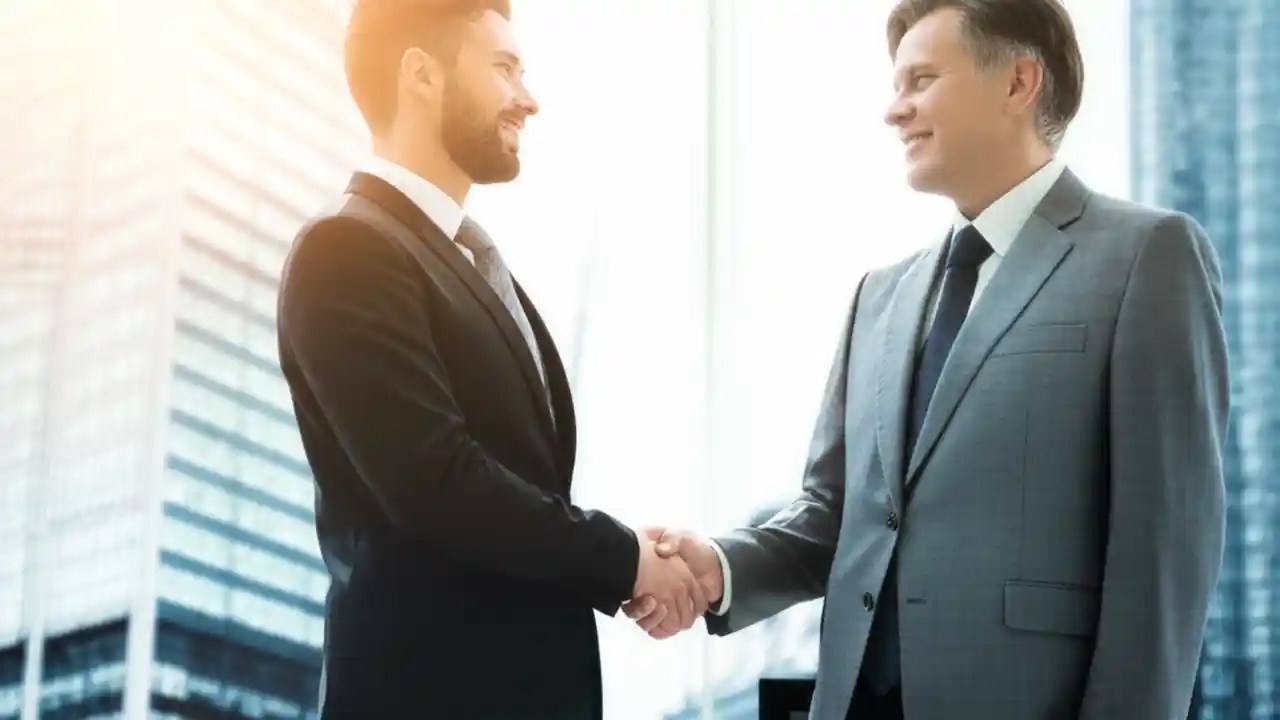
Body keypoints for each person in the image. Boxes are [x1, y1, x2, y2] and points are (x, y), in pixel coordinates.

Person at [627, 1, 1229, 718]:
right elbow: (835, 517)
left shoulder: (1146, 256)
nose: (895, 110)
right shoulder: (879, 296)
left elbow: (1163, 559)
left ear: (1018, 84)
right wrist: (720, 566)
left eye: (920, 80)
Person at [277, 2, 705, 717]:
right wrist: (623, 558)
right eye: (504, 68)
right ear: (421, 74)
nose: (529, 100)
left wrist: (628, 556)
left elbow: (517, 483)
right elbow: (436, 479)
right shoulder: (347, 250)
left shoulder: (462, 259)